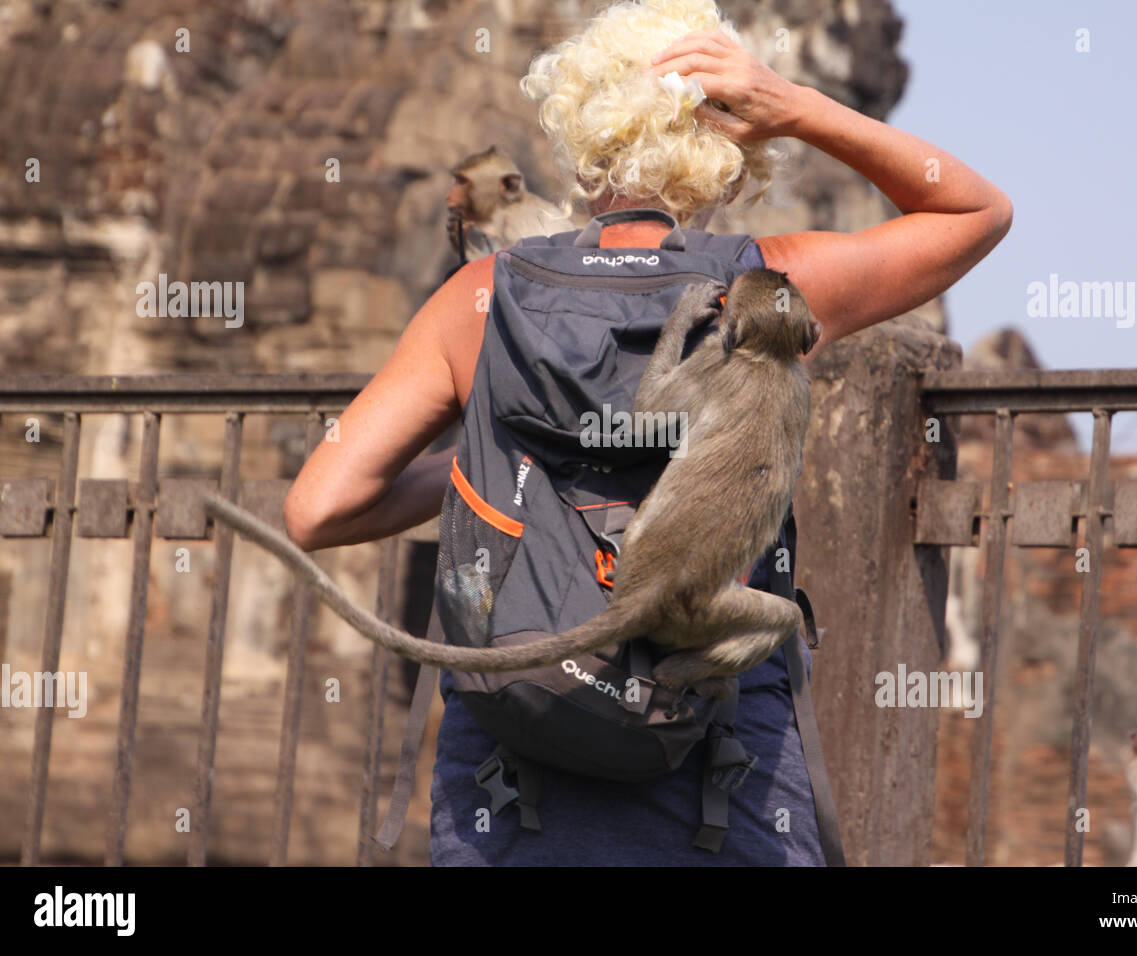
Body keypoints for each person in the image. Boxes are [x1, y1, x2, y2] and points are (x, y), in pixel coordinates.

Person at [282, 0, 1011, 865]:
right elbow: (976, 213)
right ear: (732, 160)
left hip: (516, 758)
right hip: (714, 765)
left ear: (583, 147)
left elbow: (318, 509)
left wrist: (503, 461)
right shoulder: (773, 286)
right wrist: (792, 101)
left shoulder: (483, 296)